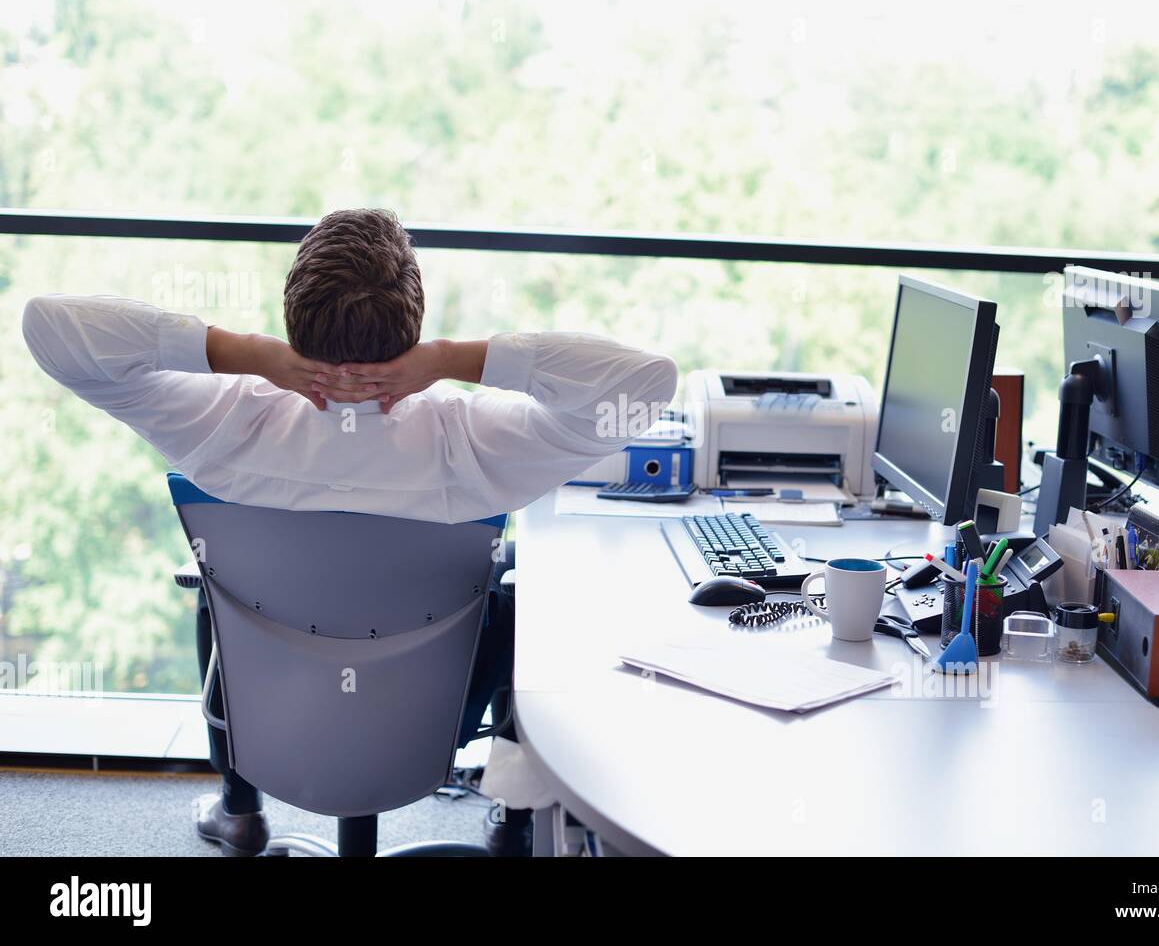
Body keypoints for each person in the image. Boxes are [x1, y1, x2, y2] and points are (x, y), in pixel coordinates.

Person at [23, 208, 677, 856]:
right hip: (430, 725)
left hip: (274, 715)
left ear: (292, 320)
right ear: (412, 327)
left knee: (214, 579)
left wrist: (241, 353)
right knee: (509, 588)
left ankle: (240, 805)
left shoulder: (220, 427)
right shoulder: (474, 444)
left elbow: (48, 327)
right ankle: (513, 819)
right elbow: (649, 384)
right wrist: (453, 359)